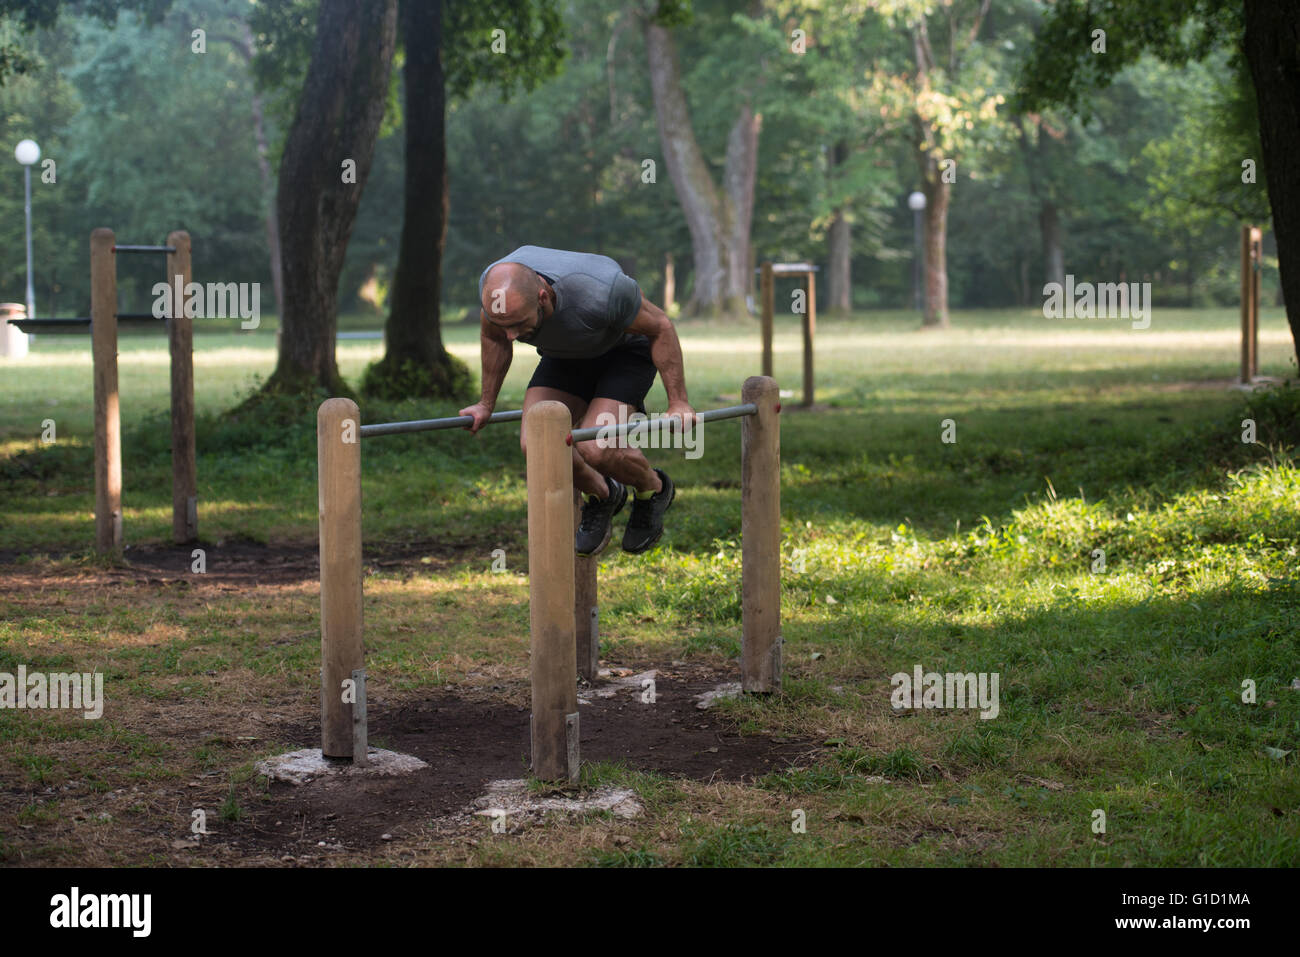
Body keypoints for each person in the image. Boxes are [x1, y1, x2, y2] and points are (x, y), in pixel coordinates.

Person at [459, 246, 697, 555]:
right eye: (504, 325)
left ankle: (653, 490)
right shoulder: (495, 294)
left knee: (596, 447)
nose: (511, 336)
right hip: (567, 356)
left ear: (543, 297)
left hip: (624, 355)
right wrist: (485, 403)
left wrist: (678, 402)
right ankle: (604, 494)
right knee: (538, 445)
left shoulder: (603, 292)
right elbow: (494, 339)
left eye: (519, 324)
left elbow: (660, 327)